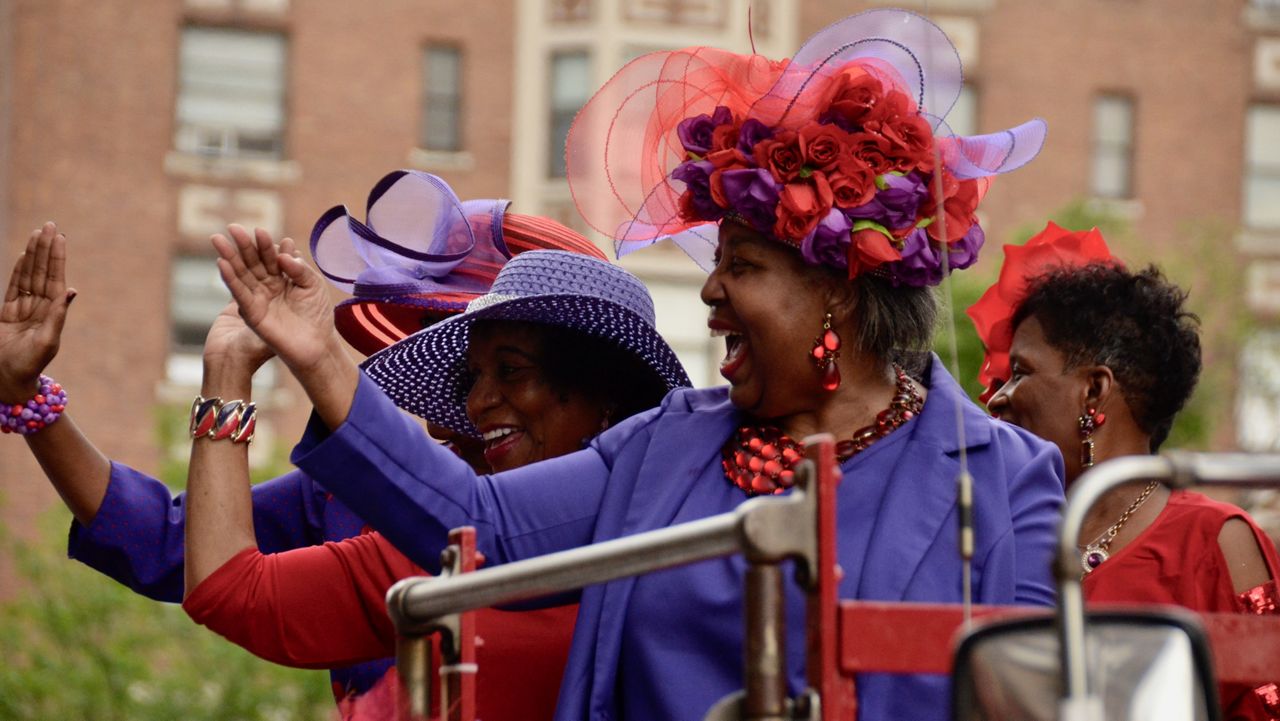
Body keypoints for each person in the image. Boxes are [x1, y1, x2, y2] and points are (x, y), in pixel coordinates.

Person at [215, 10, 1064, 721]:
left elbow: (1028, 699)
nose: (712, 294)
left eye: (743, 266)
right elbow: (470, 523)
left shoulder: (1008, 477)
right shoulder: (669, 445)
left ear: (836, 288)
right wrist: (320, 353)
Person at [0, 170, 609, 707]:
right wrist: (28, 397)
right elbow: (176, 548)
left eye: (510, 365)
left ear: (595, 382)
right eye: (457, 362)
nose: (470, 393)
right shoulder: (351, 491)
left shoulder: (637, 498)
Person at [181, 249, 688, 720]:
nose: (477, 403)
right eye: (472, 379)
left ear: (605, 395)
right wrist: (228, 369)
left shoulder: (701, 522)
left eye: (510, 371)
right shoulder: (447, 547)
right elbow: (230, 590)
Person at [970, 221, 1280, 721]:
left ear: (1094, 390)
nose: (996, 399)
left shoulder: (1216, 541)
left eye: (1021, 373)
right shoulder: (987, 529)